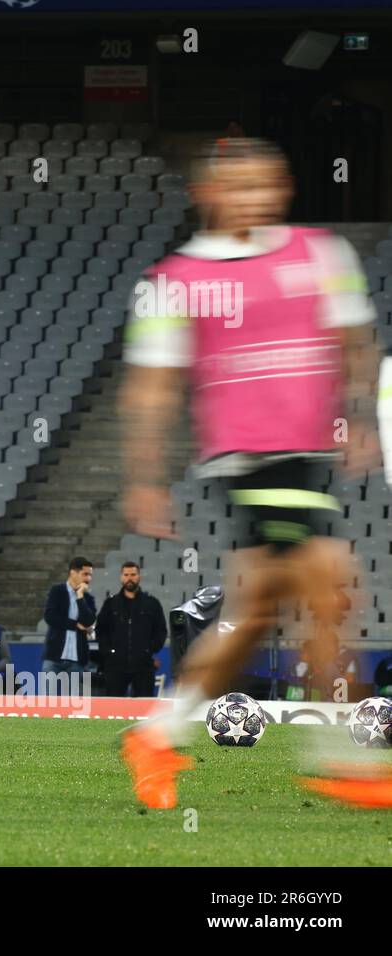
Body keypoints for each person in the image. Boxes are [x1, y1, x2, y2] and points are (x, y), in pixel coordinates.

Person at [118, 136, 383, 809]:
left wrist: (361, 417)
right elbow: (150, 385)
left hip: (308, 454)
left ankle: (156, 736)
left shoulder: (323, 254)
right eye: (239, 186)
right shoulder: (175, 281)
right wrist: (145, 476)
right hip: (249, 456)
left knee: (259, 610)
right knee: (329, 580)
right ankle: (349, 759)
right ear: (206, 194)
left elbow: (357, 341)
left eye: (267, 184)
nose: (256, 198)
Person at [95, 562, 167, 697]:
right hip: (115, 666)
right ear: (121, 577)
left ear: (139, 577)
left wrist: (148, 650)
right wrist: (109, 652)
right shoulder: (111, 604)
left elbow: (161, 631)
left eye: (133, 574)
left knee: (144, 708)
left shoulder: (152, 603)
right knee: (113, 708)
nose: (129, 578)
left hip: (143, 666)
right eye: (126, 575)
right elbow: (101, 631)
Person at [42, 557, 96, 680]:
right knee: (48, 699)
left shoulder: (88, 598)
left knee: (75, 699)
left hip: (77, 659)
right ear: (73, 573)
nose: (88, 578)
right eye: (85, 574)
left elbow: (88, 621)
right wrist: (75, 625)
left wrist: (80, 596)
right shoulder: (57, 591)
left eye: (90, 575)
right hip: (54, 656)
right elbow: (50, 616)